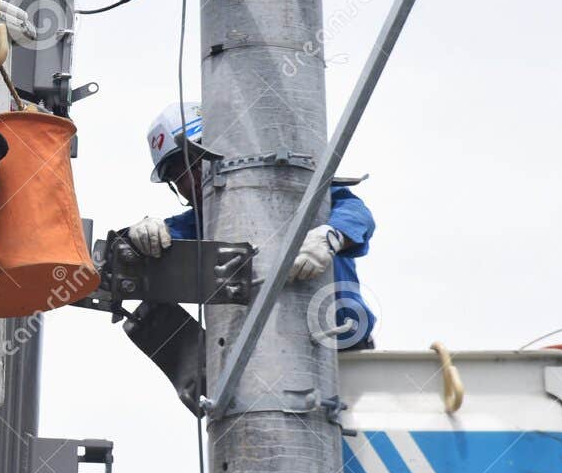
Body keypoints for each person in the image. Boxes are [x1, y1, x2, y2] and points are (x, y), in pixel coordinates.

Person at [128, 102, 378, 350]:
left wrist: (330, 236)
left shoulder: (296, 188)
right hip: (253, 369)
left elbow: (357, 214)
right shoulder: (200, 223)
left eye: (194, 162)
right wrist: (140, 233)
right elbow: (155, 243)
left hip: (346, 355)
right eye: (176, 176)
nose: (190, 180)